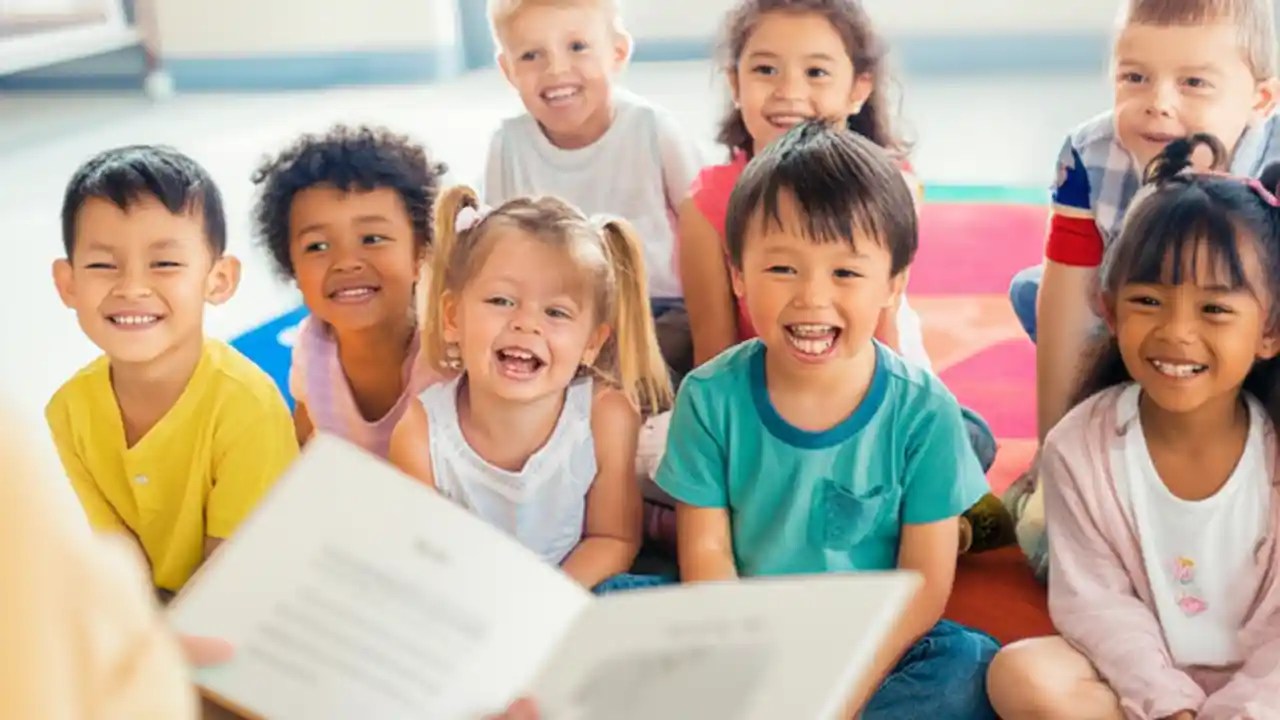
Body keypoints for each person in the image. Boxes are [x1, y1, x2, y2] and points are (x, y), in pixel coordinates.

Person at [655, 121, 998, 718]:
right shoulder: (709, 397)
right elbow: (706, 555)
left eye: (845, 272)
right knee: (612, 609)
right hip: (748, 632)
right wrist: (751, 671)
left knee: (968, 667)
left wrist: (848, 686)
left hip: (874, 643)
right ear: (738, 275)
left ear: (893, 285)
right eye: (783, 269)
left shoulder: (924, 410)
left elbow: (923, 583)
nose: (812, 298)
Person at [987, 136, 1280, 720]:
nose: (1176, 331)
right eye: (1148, 300)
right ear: (1111, 312)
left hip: (1267, 691)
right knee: (1021, 673)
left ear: (1270, 331)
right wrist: (1168, 706)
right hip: (1139, 686)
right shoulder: (1082, 446)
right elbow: (1097, 604)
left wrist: (1239, 711)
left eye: (1215, 309)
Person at [1004, 0, 1280, 582]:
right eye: (1135, 77)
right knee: (1036, 292)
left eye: (1194, 82)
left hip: (1256, 333)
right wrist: (1054, 456)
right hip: (1147, 323)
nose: (1158, 101)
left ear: (1261, 99)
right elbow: (1065, 308)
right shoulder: (1090, 154)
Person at [388, 186, 674, 592]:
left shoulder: (605, 416)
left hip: (571, 591)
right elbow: (424, 558)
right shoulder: (420, 433)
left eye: (556, 312)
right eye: (501, 300)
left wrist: (544, 605)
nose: (526, 323)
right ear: (453, 317)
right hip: (464, 595)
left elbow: (613, 538)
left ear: (591, 343)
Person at [46, 145, 297, 596]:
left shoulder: (246, 405)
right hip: (150, 619)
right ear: (68, 284)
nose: (132, 288)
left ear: (218, 280)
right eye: (103, 265)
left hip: (248, 611)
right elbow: (116, 561)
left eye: (164, 264)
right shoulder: (68, 409)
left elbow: (235, 580)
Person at [483, 0, 703, 383]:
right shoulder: (508, 144)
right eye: (531, 55)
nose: (556, 70)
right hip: (554, 317)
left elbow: (706, 230)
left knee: (628, 371)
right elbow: (499, 249)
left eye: (578, 47)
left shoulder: (653, 129)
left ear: (617, 52)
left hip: (658, 310)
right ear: (507, 70)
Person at [252, 124, 448, 458]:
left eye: (372, 239)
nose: (345, 262)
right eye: (317, 246)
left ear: (421, 254)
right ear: (293, 269)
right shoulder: (311, 350)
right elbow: (297, 449)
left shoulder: (447, 354)